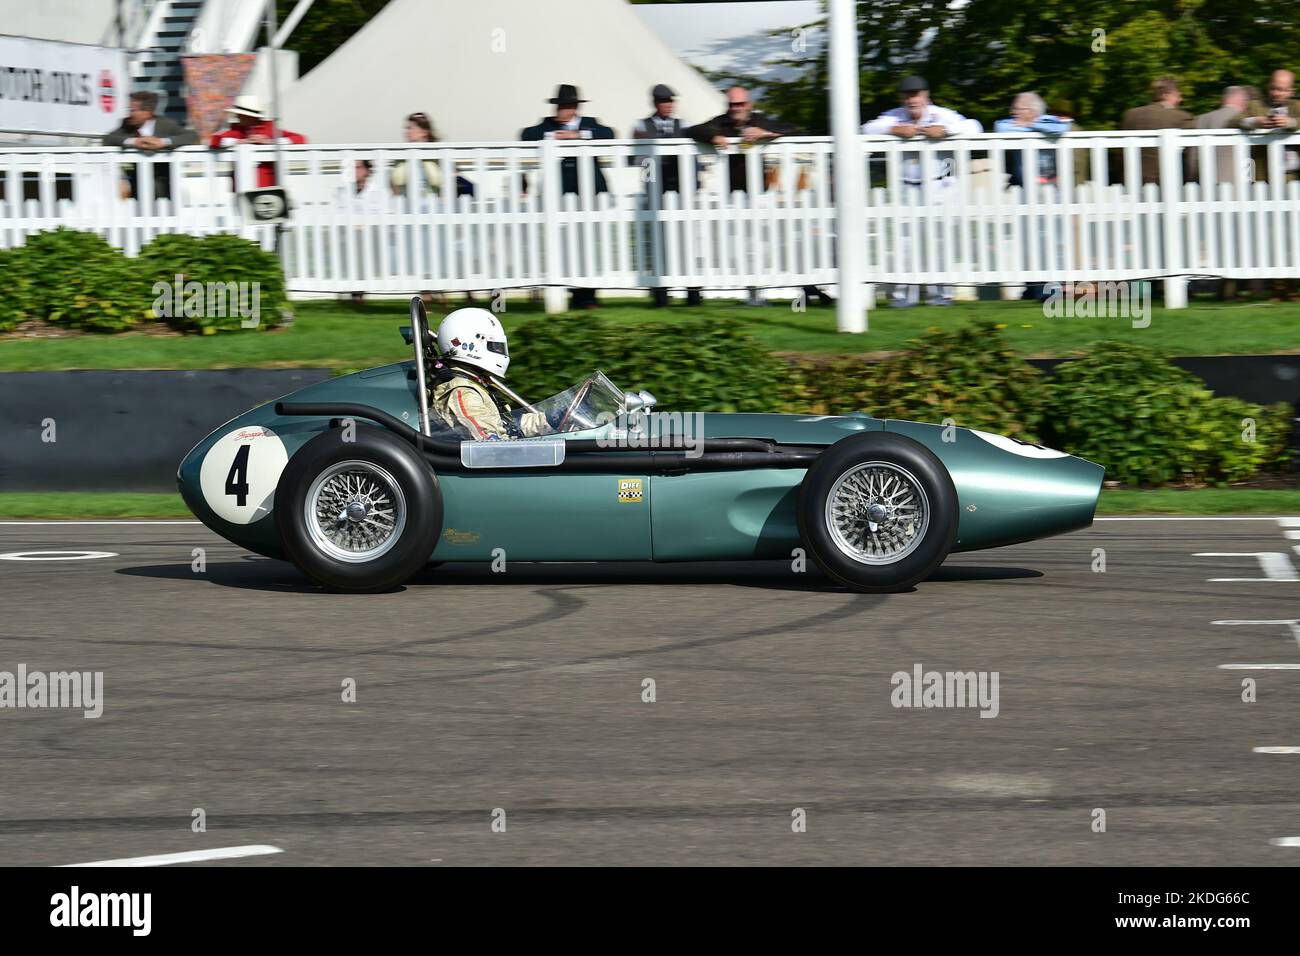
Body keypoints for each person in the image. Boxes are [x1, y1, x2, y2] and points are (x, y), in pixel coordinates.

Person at [687, 87, 831, 306]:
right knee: (742, 248)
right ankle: (754, 295)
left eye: (740, 104)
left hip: (764, 196)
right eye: (732, 105)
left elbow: (795, 131)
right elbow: (693, 130)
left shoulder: (760, 120)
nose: (736, 109)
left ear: (749, 105)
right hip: (734, 197)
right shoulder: (721, 123)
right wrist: (714, 136)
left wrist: (765, 134)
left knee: (780, 243)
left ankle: (807, 289)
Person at [862, 75, 983, 308]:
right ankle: (903, 298)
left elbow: (974, 126)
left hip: (940, 186)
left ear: (926, 95)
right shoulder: (894, 116)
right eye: (908, 95)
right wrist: (894, 129)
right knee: (905, 244)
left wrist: (945, 130)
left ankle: (941, 297)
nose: (912, 99)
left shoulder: (942, 115)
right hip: (907, 187)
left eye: (916, 94)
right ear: (901, 98)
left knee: (940, 243)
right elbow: (867, 128)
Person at [521, 84, 614, 309]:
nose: (561, 111)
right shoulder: (547, 126)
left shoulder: (590, 125)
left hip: (589, 193)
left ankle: (589, 296)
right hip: (560, 195)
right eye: (560, 107)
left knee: (587, 245)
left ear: (574, 108)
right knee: (564, 246)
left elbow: (609, 134)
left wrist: (579, 135)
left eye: (566, 107)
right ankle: (573, 293)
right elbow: (526, 135)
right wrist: (554, 136)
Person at [429, 308, 549, 440]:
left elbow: (507, 423)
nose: (499, 351)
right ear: (471, 344)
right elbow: (490, 445)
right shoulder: (463, 392)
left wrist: (550, 419)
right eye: (495, 346)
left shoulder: (474, 382)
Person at [632, 84, 701, 307]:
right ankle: (661, 294)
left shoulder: (684, 125)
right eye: (664, 102)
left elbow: (693, 156)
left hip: (681, 189)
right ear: (655, 103)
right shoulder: (641, 126)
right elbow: (635, 159)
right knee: (659, 242)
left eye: (670, 101)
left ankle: (693, 292)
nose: (668, 105)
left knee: (687, 241)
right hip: (656, 189)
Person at [102, 90, 197, 201]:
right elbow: (108, 139)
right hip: (137, 187)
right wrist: (134, 142)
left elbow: (192, 136)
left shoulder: (166, 124)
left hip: (163, 187)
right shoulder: (127, 124)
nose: (130, 114)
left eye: (133, 110)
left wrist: (163, 142)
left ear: (147, 112)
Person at [208, 94, 307, 188]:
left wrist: (271, 142)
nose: (237, 117)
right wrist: (240, 142)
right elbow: (213, 140)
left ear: (249, 116)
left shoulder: (270, 129)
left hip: (266, 186)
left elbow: (300, 139)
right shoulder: (236, 131)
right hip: (240, 185)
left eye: (239, 114)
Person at [1120, 77, 1193, 185]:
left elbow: (1120, 153)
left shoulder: (1130, 115)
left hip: (1133, 180)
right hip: (1168, 182)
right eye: (1177, 95)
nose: (1180, 99)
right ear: (1166, 95)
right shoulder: (1181, 117)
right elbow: (1190, 153)